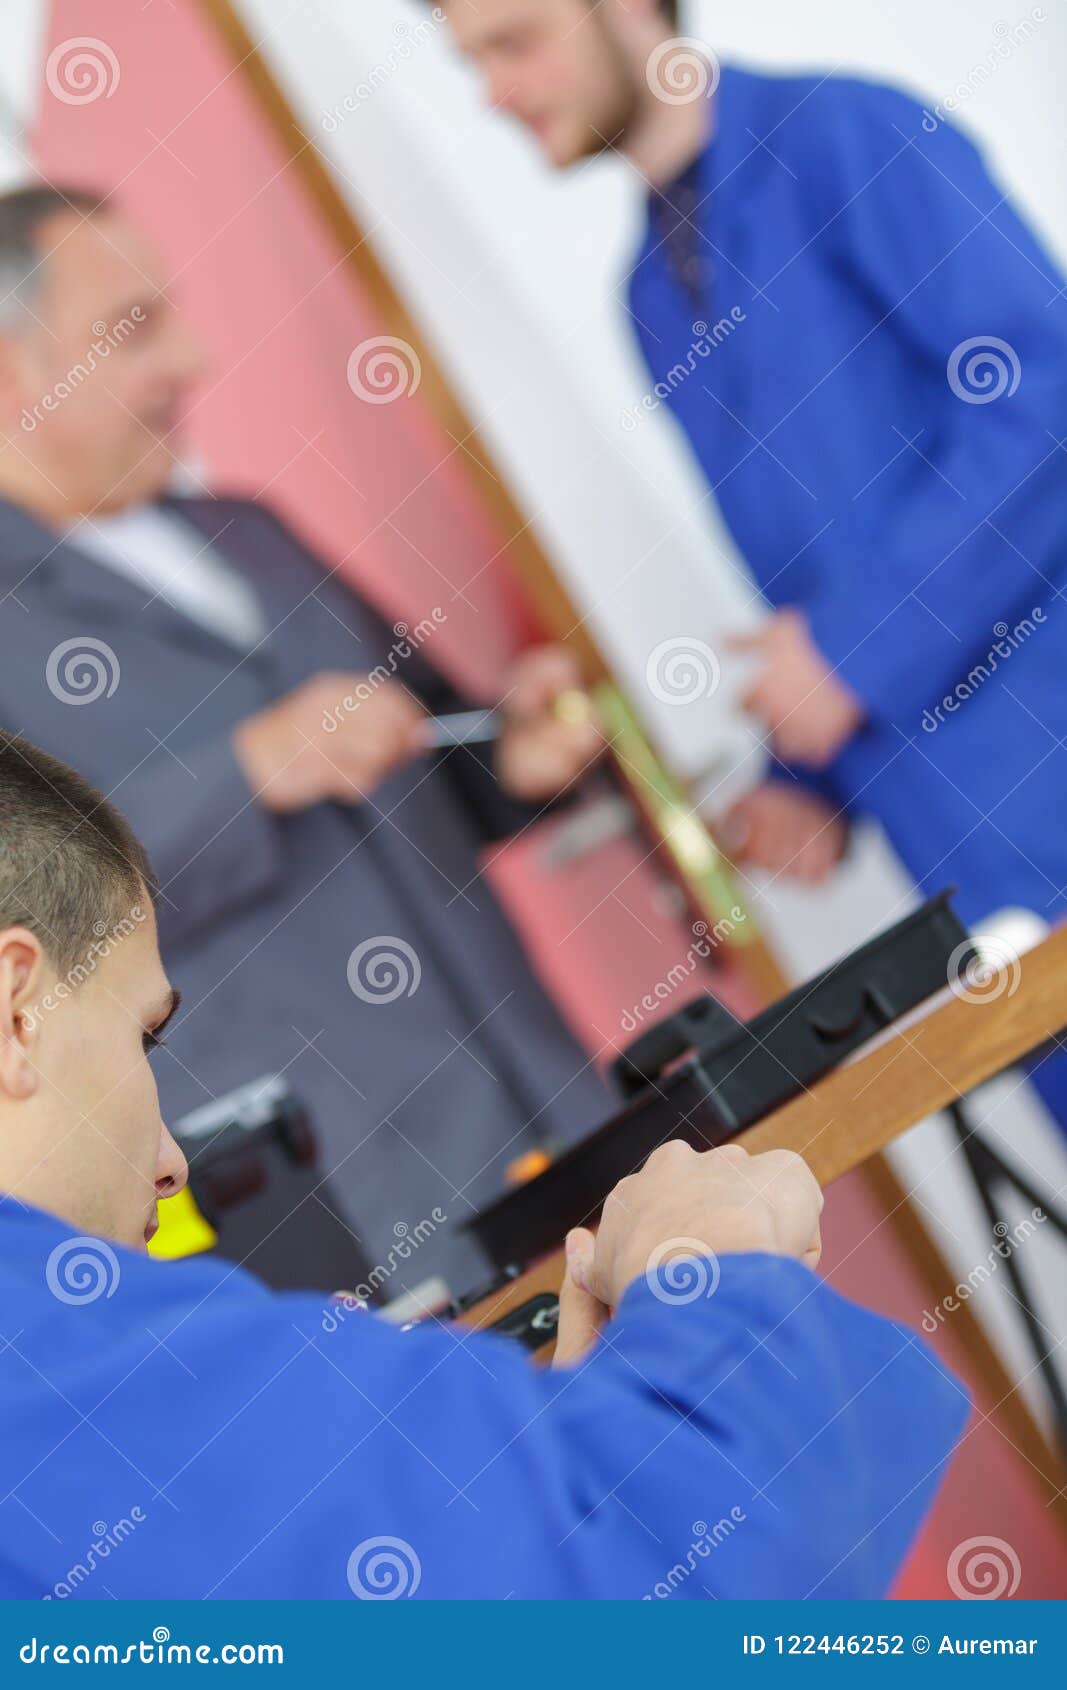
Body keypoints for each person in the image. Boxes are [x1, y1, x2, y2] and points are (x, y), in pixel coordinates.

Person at [0, 729, 965, 1598]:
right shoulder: (77, 1381)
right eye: (143, 1037)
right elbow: (691, 1588)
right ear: (16, 1012)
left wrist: (567, 1461)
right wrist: (714, 1281)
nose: (171, 1162)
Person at [437, 0, 1067, 1121]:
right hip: (966, 865)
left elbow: (1041, 400)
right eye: (467, 59)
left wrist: (852, 656)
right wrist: (800, 780)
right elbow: (814, 574)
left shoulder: (846, 136)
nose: (491, 89)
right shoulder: (646, 299)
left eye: (513, 40)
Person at [0, 183, 612, 1298]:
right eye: (131, 331)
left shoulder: (251, 532)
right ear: (12, 372)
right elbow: (27, 935)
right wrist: (248, 773)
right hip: (363, 1216)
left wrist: (518, 760)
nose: (190, 358)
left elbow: (442, 751)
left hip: (557, 1109)